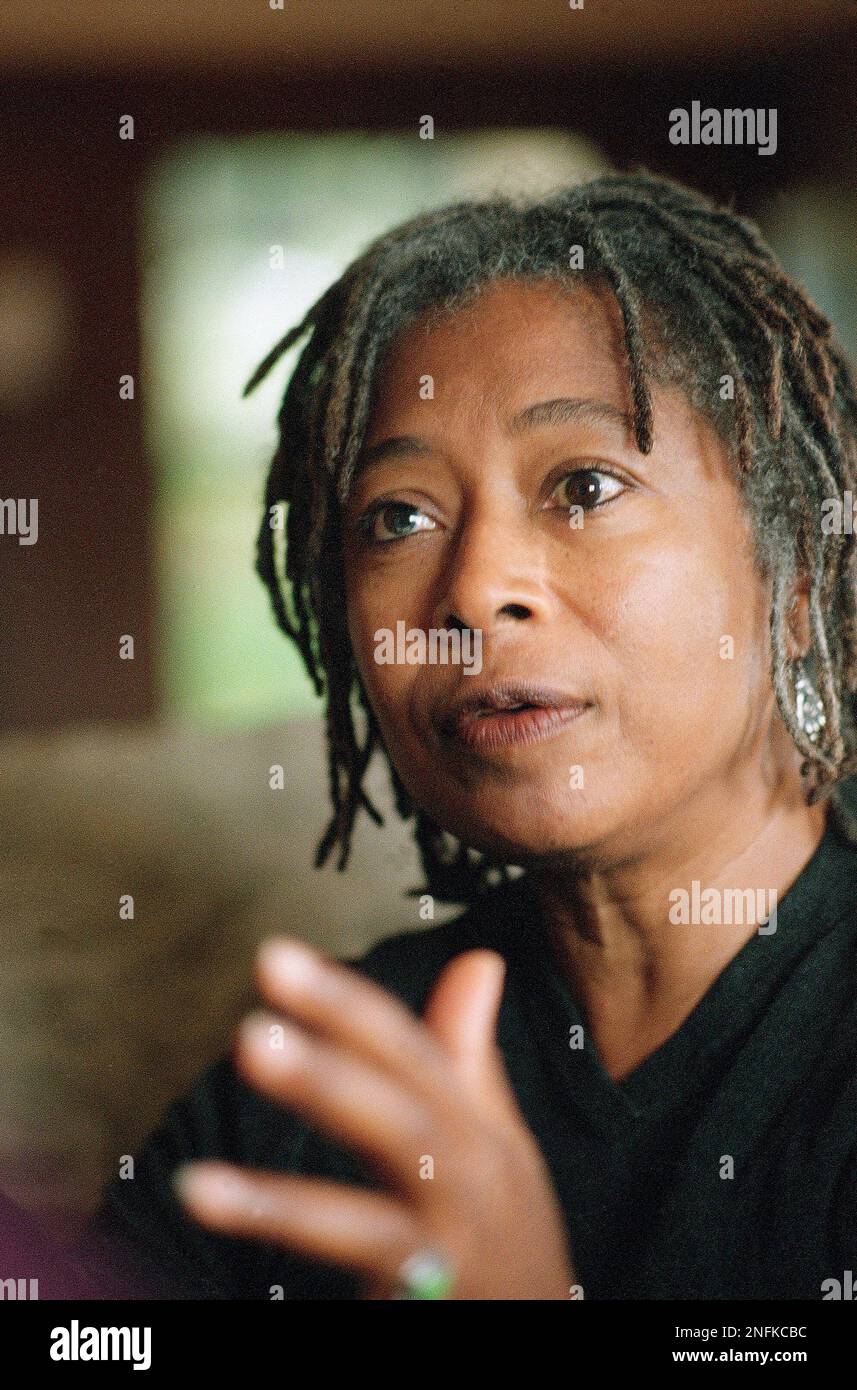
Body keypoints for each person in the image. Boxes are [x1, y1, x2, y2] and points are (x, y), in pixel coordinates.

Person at [71, 170, 857, 1300]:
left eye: (582, 485)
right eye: (397, 518)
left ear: (790, 579)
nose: (474, 589)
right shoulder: (303, 1098)